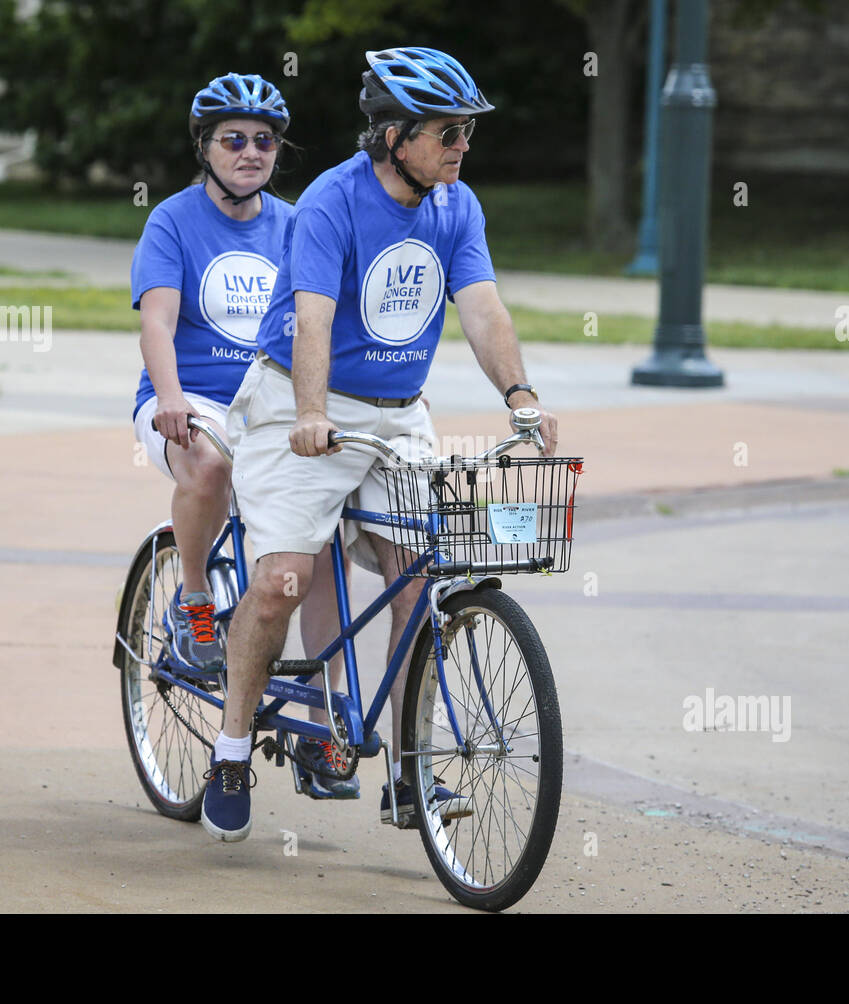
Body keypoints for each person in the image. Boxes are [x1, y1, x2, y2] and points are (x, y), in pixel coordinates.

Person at [203, 46, 559, 843]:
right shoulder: (334, 199)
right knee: (283, 581)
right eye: (449, 131)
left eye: (468, 130)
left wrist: (521, 397)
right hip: (303, 403)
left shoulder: (456, 206)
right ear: (394, 136)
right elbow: (315, 317)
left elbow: (483, 307)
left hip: (398, 413)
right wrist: (308, 412)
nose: (463, 145)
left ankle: (407, 771)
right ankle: (230, 749)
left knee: (418, 582)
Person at [130, 73, 356, 801]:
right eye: (234, 139)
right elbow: (157, 322)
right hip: (189, 395)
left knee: (316, 536)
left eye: (264, 141)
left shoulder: (296, 223)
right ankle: (193, 596)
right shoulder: (171, 220)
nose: (251, 152)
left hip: (271, 401)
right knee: (206, 471)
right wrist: (170, 400)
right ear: (205, 147)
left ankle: (326, 719)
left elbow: (325, 317)